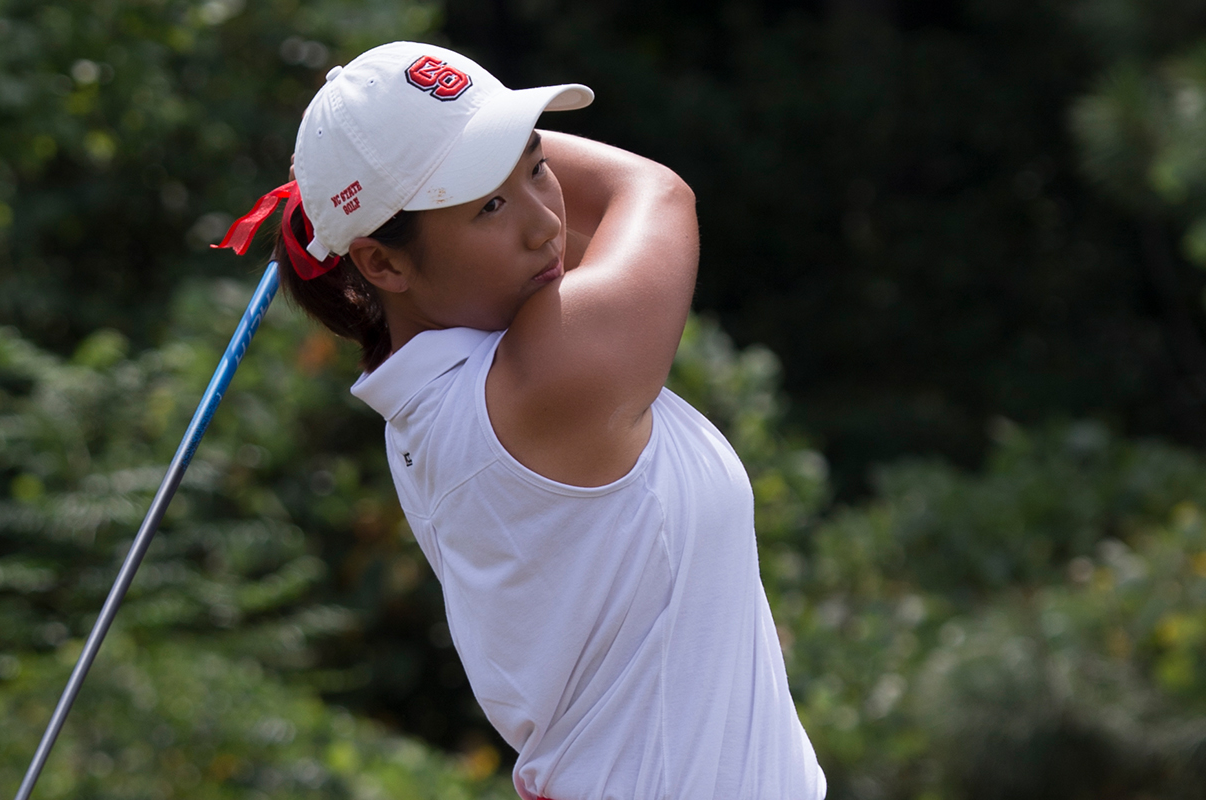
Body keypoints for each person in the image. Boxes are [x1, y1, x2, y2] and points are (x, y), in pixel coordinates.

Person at [214, 42, 825, 799]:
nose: (544, 224)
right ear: (382, 266)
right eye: (489, 206)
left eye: (537, 167)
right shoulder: (543, 383)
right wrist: (372, 168)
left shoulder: (446, 393)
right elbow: (653, 192)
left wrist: (393, 163)